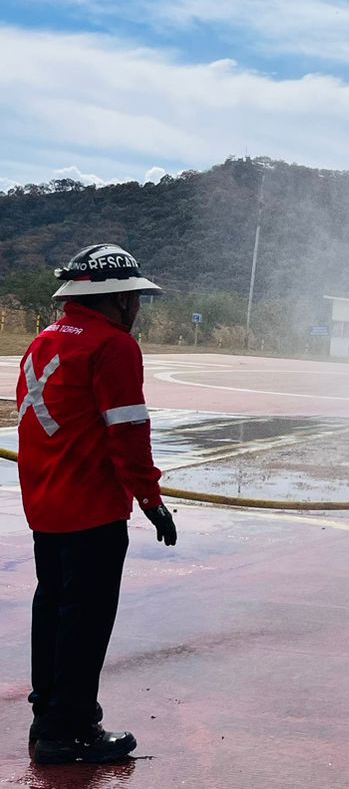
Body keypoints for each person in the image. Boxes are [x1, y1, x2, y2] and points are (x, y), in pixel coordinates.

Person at [16, 243, 177, 765]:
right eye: (134, 299)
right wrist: (151, 500)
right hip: (91, 508)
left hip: (45, 506)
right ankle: (72, 732)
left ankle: (48, 718)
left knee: (53, 611)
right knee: (85, 621)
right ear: (118, 300)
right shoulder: (113, 346)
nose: (137, 310)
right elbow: (128, 432)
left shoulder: (42, 341)